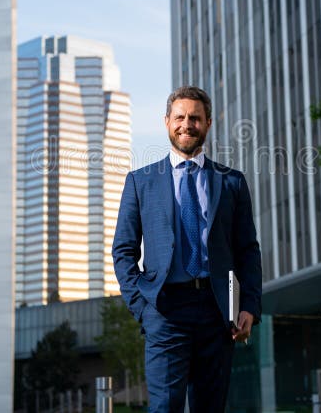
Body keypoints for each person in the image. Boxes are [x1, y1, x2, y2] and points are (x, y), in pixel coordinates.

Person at [112, 86, 262, 412]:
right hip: (164, 310)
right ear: (167, 122)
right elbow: (123, 250)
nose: (187, 124)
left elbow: (247, 250)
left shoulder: (232, 182)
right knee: (165, 407)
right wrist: (142, 307)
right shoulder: (140, 182)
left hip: (217, 309)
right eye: (179, 117)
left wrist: (248, 304)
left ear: (208, 123)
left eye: (195, 118)